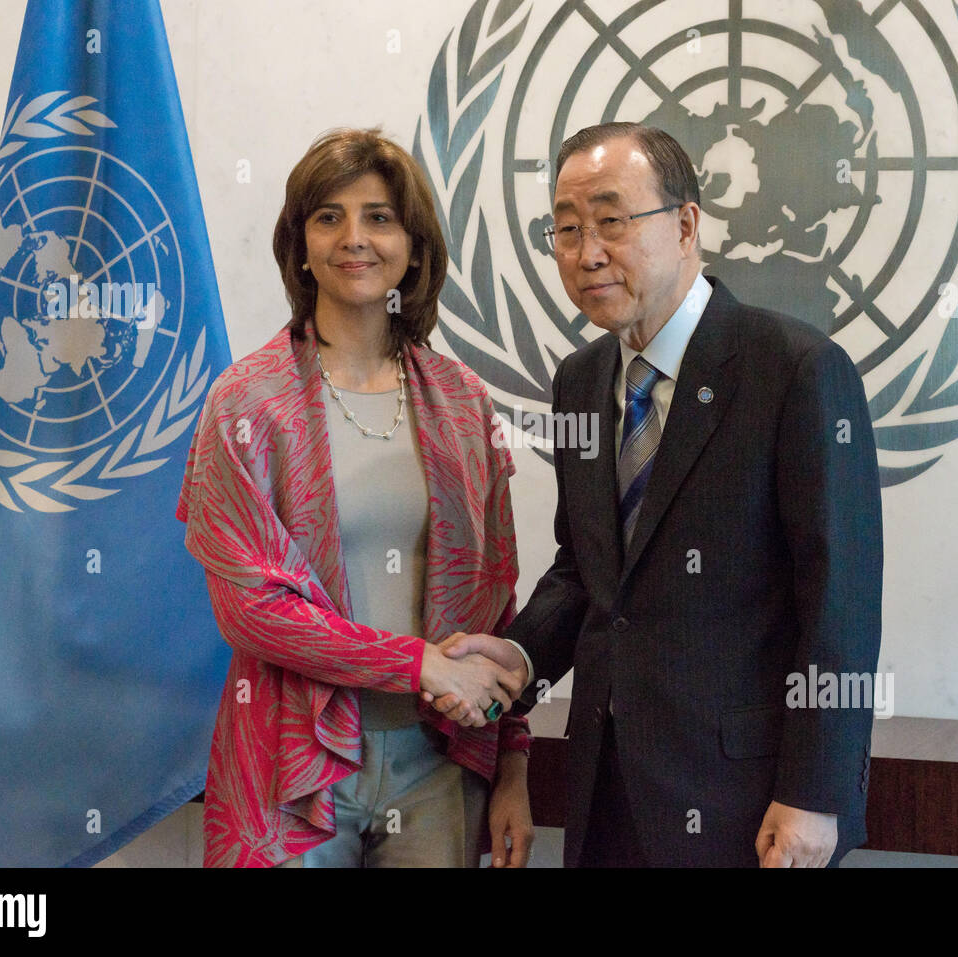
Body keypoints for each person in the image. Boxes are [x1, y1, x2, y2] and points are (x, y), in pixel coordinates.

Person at [427, 122, 883, 867]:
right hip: (604, 789)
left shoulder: (796, 370)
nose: (587, 253)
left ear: (686, 223)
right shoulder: (578, 382)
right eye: (566, 230)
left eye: (611, 221)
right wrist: (518, 657)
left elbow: (841, 608)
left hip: (748, 802)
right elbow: (587, 570)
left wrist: (815, 792)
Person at [177, 128, 533, 867]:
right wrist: (417, 663)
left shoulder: (464, 401)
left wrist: (515, 766)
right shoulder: (247, 400)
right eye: (328, 216)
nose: (354, 237)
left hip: (440, 762)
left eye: (379, 216)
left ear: (413, 243)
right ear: (300, 245)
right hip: (287, 757)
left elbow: (498, 604)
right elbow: (252, 611)